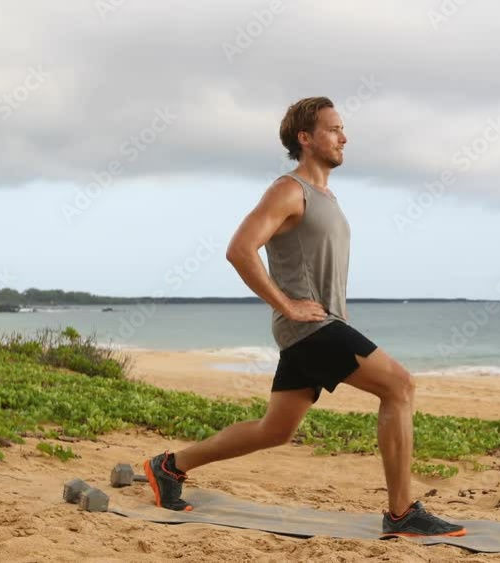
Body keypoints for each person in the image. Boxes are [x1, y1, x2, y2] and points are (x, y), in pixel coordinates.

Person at [142, 96, 466, 538]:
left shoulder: (325, 196)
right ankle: (400, 512)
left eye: (342, 129)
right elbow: (240, 249)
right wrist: (286, 304)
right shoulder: (289, 190)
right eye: (334, 129)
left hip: (315, 326)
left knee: (275, 429)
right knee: (399, 386)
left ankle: (169, 466)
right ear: (305, 138)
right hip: (312, 327)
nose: (343, 137)